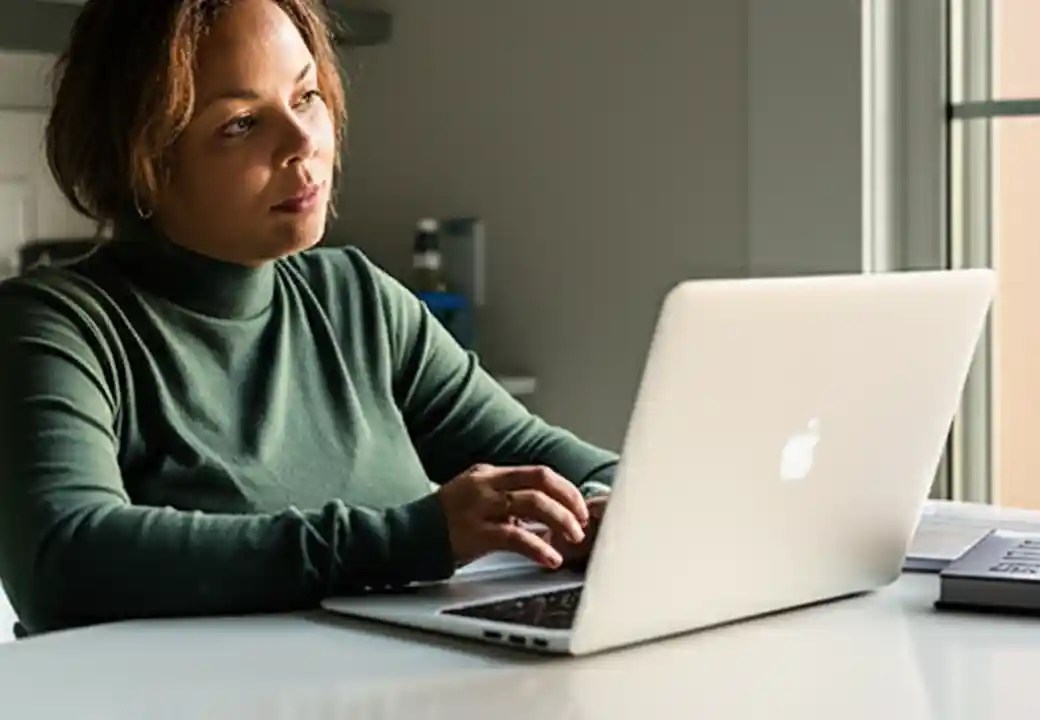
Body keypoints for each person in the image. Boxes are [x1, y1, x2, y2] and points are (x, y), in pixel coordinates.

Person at [0, 0, 616, 636]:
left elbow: (573, 465)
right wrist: (413, 537)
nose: (303, 142)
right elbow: (63, 561)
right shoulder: (52, 327)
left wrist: (606, 511)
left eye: (307, 96)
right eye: (241, 123)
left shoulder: (356, 299)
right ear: (145, 160)